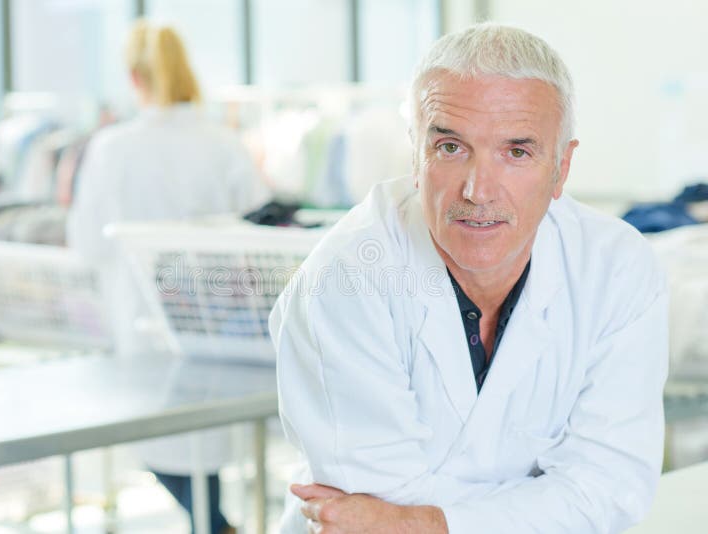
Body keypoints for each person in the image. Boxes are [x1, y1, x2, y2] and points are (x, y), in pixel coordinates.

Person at [270, 23, 668, 534]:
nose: (479, 191)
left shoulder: (617, 268)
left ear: (561, 168)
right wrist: (549, 502)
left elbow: (610, 489)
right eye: (452, 148)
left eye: (517, 152)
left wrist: (420, 525)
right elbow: (370, 504)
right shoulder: (346, 278)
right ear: (416, 155)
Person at [68, 20, 267, 534]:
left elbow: (86, 244)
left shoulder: (112, 148)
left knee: (159, 439)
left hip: (139, 319)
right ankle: (217, 525)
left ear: (134, 78)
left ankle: (218, 527)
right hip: (217, 322)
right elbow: (259, 226)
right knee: (203, 442)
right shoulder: (222, 142)